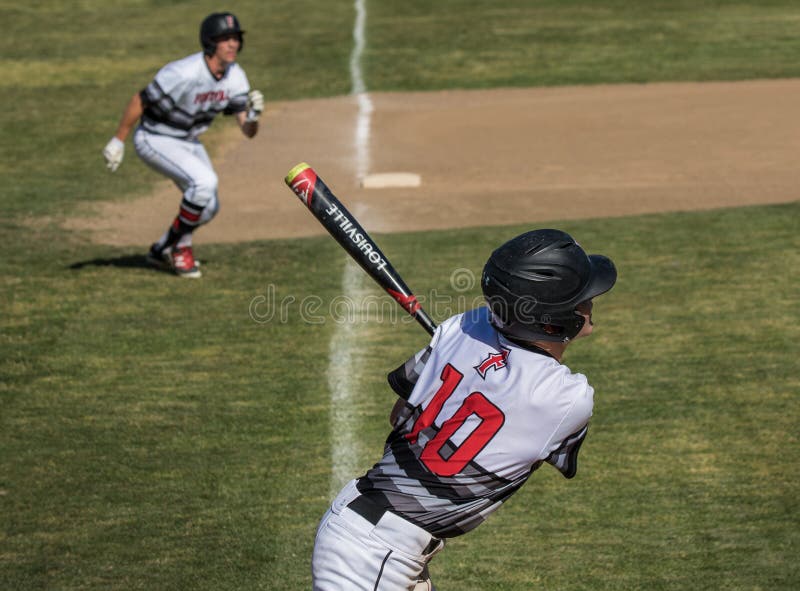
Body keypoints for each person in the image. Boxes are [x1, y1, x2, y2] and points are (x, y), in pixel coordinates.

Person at [311, 229, 618, 590]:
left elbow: (399, 415)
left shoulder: (462, 326)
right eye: (582, 297)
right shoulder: (568, 398)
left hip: (372, 537)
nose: (591, 301)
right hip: (372, 555)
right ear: (556, 317)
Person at [102, 12, 263, 278]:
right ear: (210, 42)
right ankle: (180, 248)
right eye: (225, 39)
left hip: (188, 141)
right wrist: (118, 139)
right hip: (155, 138)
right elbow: (141, 100)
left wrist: (254, 116)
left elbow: (247, 131)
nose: (233, 44)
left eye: (235, 39)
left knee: (208, 207)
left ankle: (161, 249)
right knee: (204, 183)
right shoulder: (184, 72)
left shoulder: (236, 76)